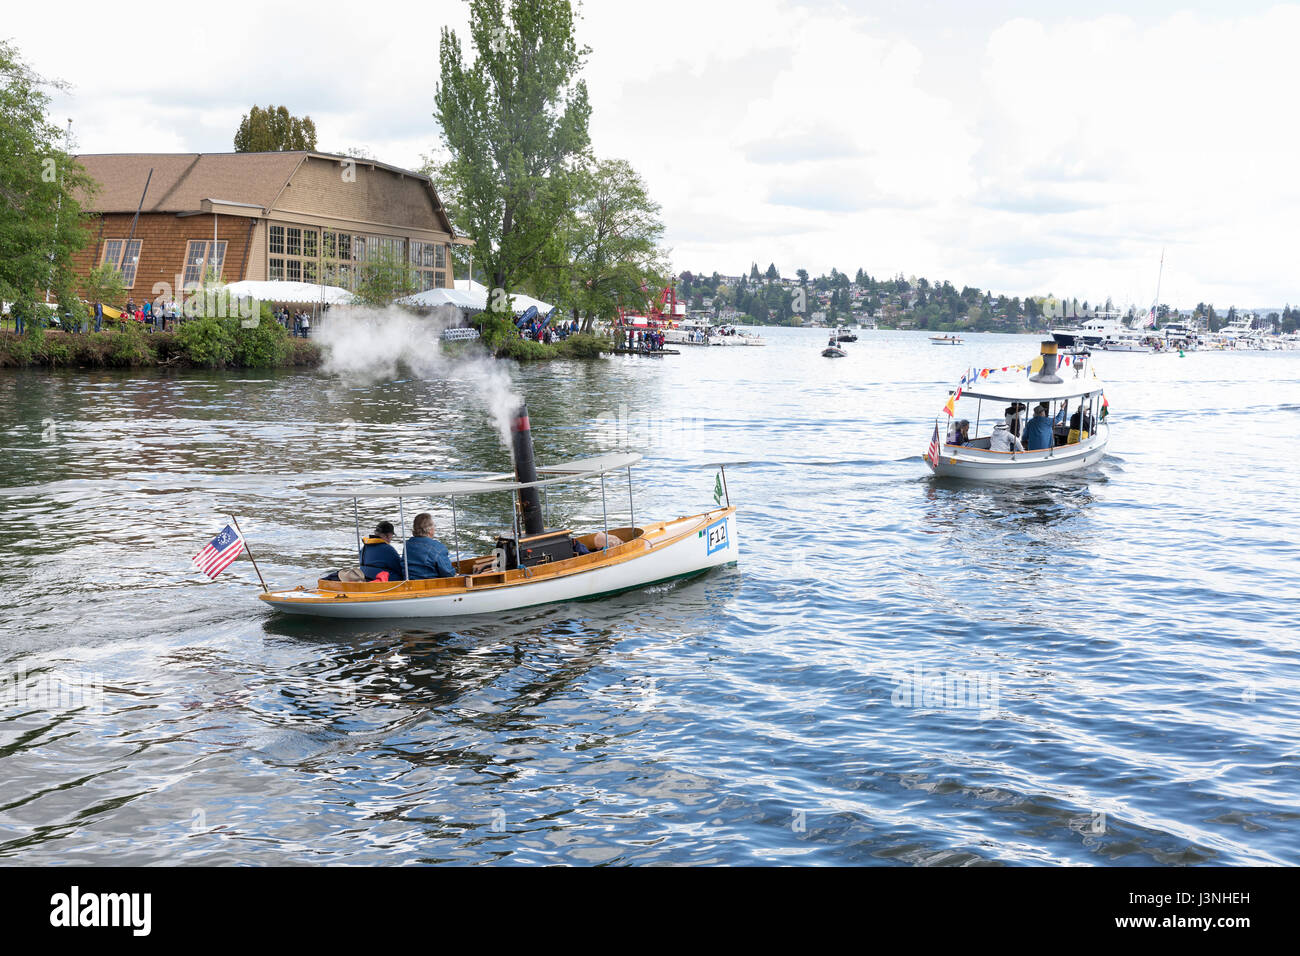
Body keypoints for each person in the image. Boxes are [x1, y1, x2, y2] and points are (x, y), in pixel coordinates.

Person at [404, 512, 456, 579]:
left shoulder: (407, 545)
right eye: (434, 526)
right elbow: (448, 574)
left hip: (409, 584)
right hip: (430, 585)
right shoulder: (438, 548)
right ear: (430, 530)